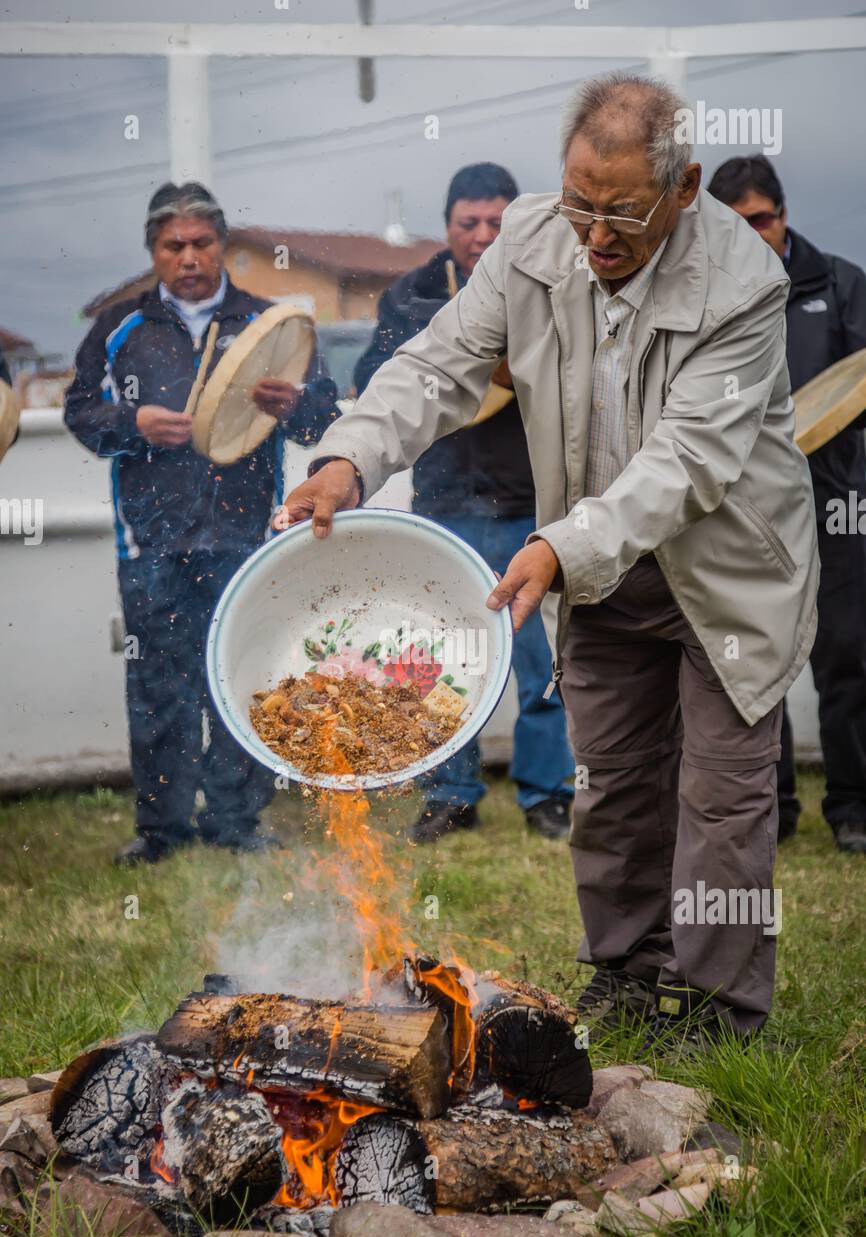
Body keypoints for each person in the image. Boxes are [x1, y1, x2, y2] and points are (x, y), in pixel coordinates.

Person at [274, 72, 819, 1057]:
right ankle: (625, 971)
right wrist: (347, 457)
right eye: (577, 202)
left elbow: (684, 463)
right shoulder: (530, 243)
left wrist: (556, 544)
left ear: (685, 187)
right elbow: (439, 364)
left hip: (727, 571)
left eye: (619, 213)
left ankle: (715, 1015)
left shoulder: (742, 285)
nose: (592, 235)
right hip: (598, 570)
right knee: (611, 782)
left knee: (720, 804)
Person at [65, 182, 340, 864]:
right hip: (151, 539)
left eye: (201, 242)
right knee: (159, 684)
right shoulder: (118, 328)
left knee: (245, 680)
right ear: (153, 252)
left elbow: (323, 416)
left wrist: (292, 403)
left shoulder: (268, 324)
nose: (188, 256)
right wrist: (133, 423)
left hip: (247, 536)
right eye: (173, 245)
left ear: (221, 245)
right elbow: (79, 412)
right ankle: (162, 830)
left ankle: (236, 821)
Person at [354, 163, 575, 842]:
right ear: (446, 225)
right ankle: (451, 793)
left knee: (542, 662)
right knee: (440, 660)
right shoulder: (413, 292)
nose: (482, 236)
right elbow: (372, 378)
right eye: (468, 223)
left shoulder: (549, 287)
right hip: (445, 510)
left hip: (531, 507)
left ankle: (547, 794)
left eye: (497, 223)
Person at [708, 155, 866, 854]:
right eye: (733, 226)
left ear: (783, 214)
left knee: (847, 655)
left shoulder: (840, 284)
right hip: (747, 511)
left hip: (835, 506)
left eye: (760, 220)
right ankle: (771, 807)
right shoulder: (707, 297)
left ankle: (854, 806)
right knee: (758, 662)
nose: (750, 236)